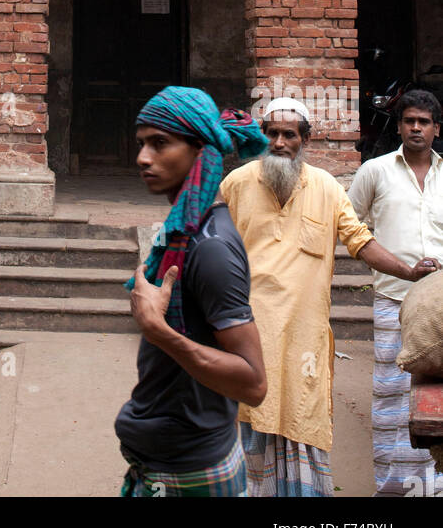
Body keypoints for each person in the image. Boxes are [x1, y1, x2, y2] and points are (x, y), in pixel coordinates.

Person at [221, 97, 437, 498]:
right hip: (251, 330)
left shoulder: (326, 187)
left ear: (305, 139)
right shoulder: (236, 184)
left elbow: (361, 241)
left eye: (290, 134)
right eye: (273, 134)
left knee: (303, 416)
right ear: (263, 137)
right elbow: (214, 248)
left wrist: (408, 272)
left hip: (305, 336)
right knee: (252, 418)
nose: (281, 142)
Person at [115, 86, 268, 498]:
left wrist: (157, 329)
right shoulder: (183, 231)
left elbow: (253, 383)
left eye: (160, 143)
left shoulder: (210, 248)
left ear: (200, 149)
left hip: (192, 471)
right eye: (141, 143)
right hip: (164, 462)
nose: (143, 158)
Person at [348, 89, 443, 497]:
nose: (416, 128)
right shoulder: (375, 171)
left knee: (436, 392)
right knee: (392, 390)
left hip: (440, 306)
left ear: (437, 129)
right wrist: (392, 264)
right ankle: (391, 486)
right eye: (409, 121)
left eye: (424, 122)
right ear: (399, 125)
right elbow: (350, 225)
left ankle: (433, 486)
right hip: (393, 298)